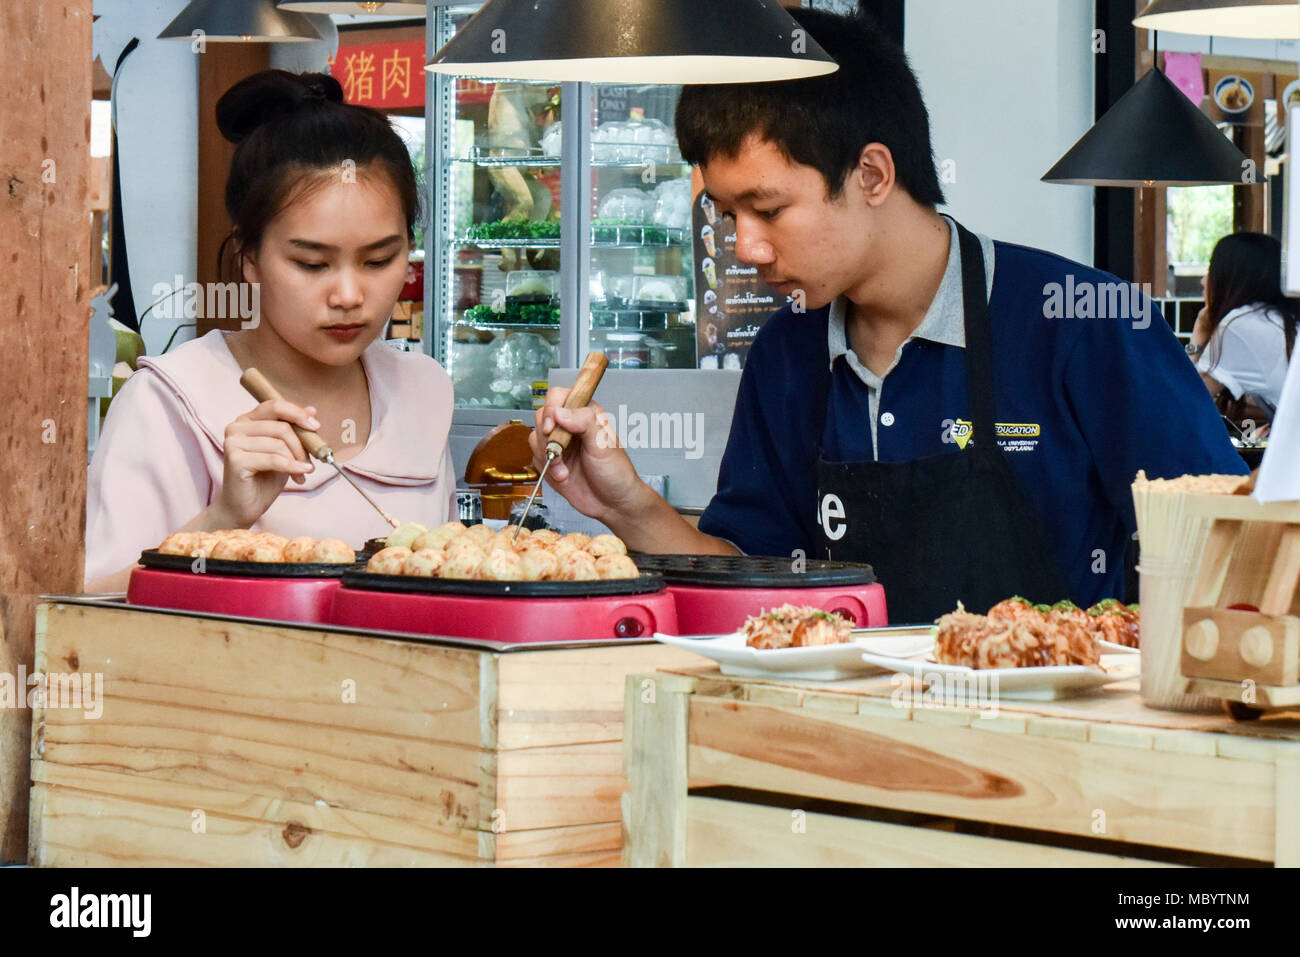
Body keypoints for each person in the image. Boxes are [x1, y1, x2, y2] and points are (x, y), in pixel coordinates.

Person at [531, 8, 1246, 622]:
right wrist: (625, 505)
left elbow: (1226, 553)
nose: (743, 246)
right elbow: (750, 579)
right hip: (847, 751)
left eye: (768, 209)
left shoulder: (1085, 326)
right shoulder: (788, 355)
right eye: (724, 213)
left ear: (872, 173)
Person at [85, 71, 456, 591]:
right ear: (250, 257)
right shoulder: (169, 403)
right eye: (311, 264)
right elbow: (85, 610)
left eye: (378, 260)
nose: (348, 295)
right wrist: (223, 518)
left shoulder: (422, 390)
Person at [1188, 231, 1297, 418]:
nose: (1204, 280)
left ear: (1229, 277)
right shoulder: (1278, 319)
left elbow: (1187, 396)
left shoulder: (1240, 325)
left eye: (1211, 270)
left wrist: (1199, 332)